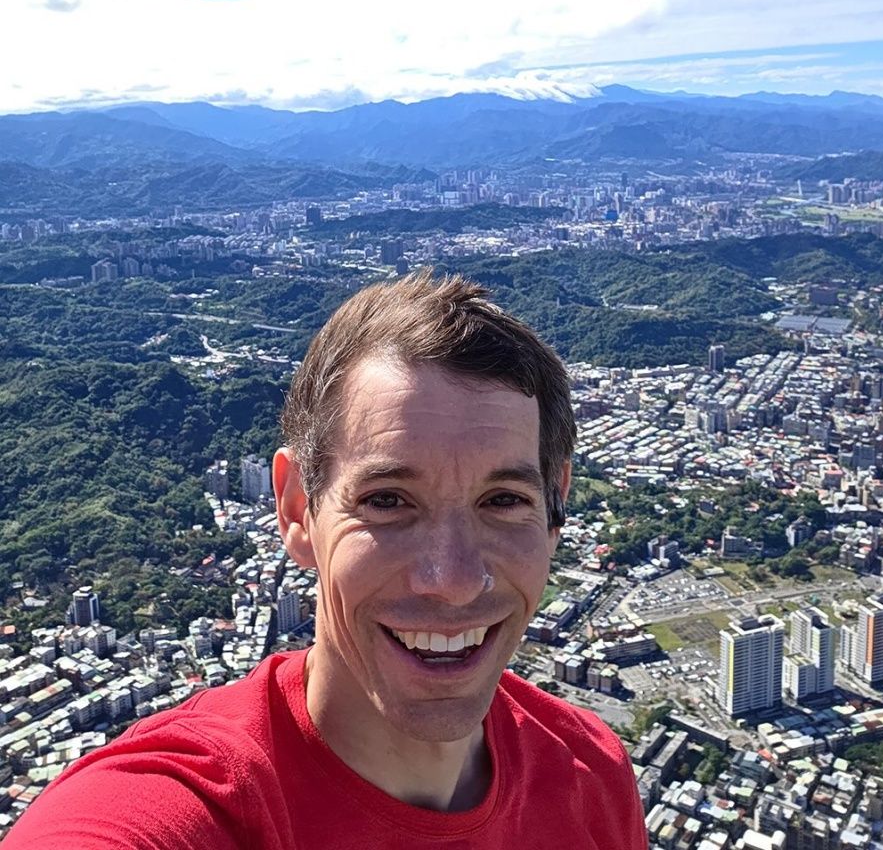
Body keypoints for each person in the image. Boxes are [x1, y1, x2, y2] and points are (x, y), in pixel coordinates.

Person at [9, 270, 648, 848]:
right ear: (296, 511)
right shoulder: (194, 808)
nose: (451, 581)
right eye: (388, 500)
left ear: (556, 508)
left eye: (504, 500)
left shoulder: (592, 774)